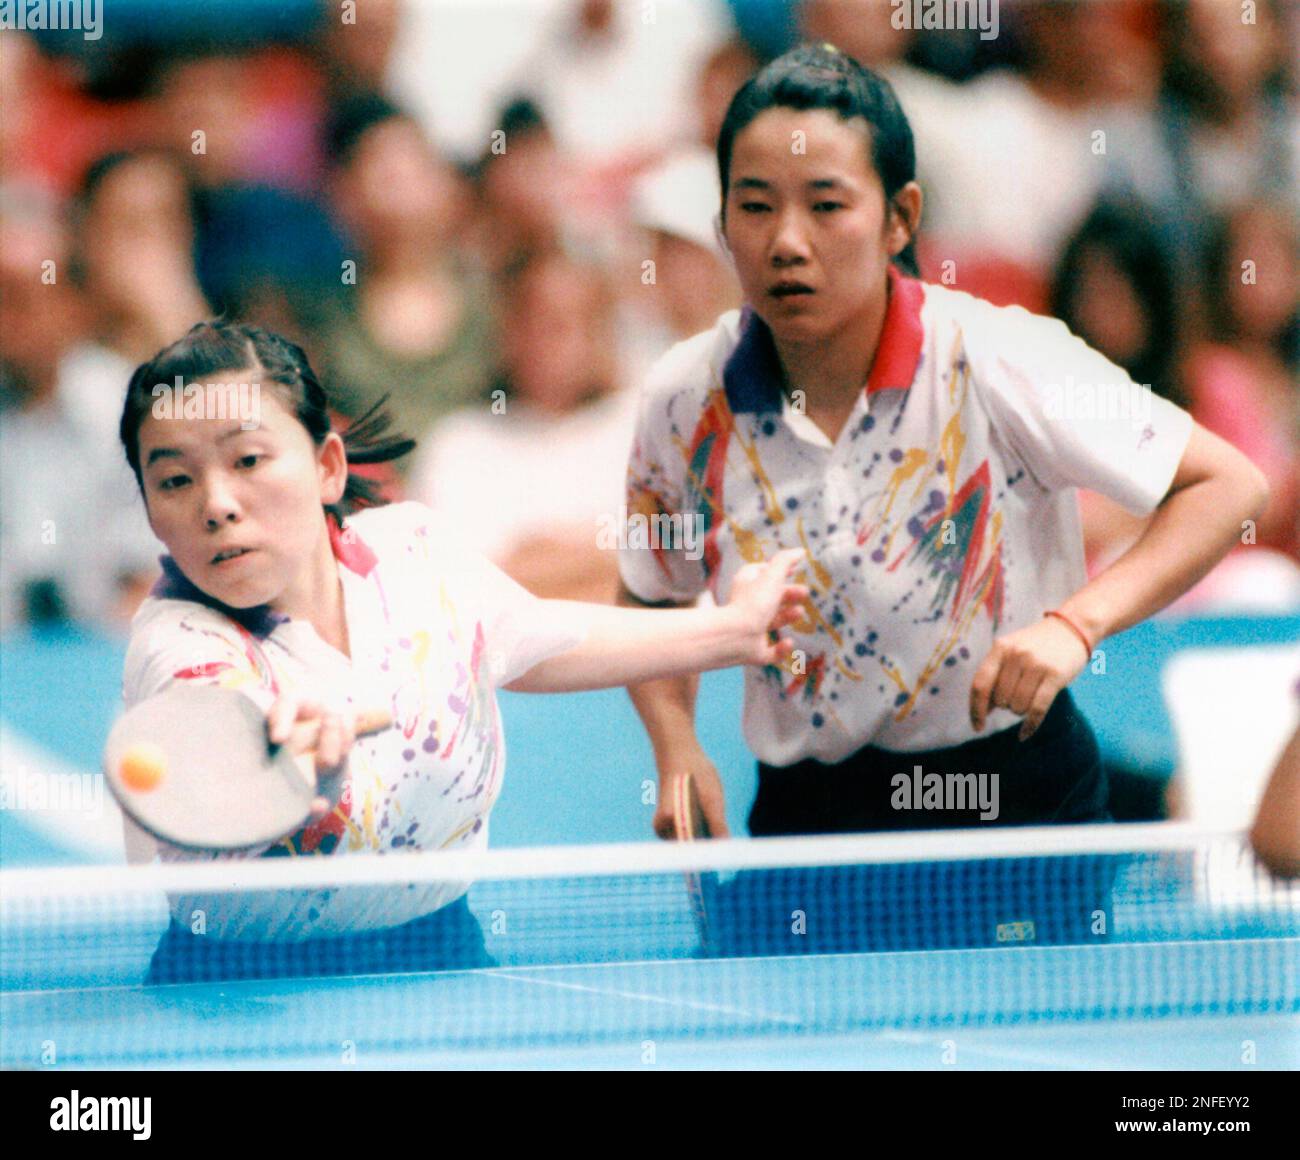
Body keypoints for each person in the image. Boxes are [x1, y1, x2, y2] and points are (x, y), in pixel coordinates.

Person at [618, 46, 1269, 854]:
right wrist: (676, 746)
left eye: (826, 205)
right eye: (755, 207)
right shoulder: (684, 400)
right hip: (811, 817)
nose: (787, 242)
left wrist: (1077, 623)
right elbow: (651, 592)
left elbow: (1228, 484)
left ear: (900, 217)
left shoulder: (995, 358)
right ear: (722, 224)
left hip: (1016, 800)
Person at [117, 321, 806, 982]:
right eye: (175, 480)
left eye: (247, 460)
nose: (216, 503)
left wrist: (735, 632)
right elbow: (226, 745)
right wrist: (305, 770)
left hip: (438, 963)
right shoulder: (176, 646)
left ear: (328, 466)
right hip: (240, 993)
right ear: (150, 511)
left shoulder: (413, 551)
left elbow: (533, 638)